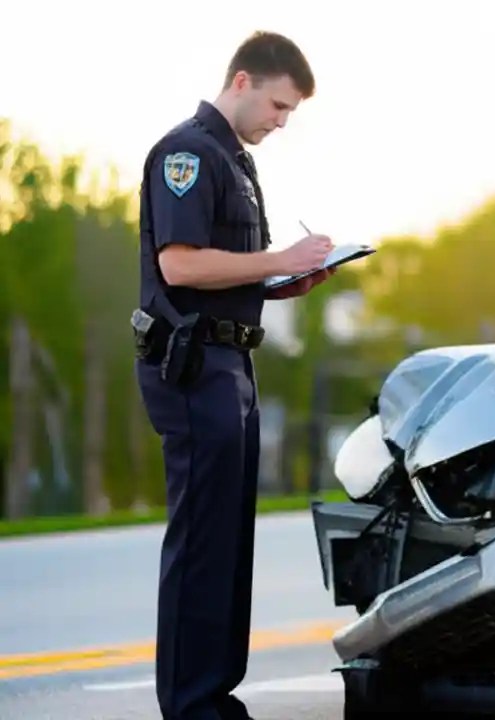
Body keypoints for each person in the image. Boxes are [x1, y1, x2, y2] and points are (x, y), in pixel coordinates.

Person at [134, 31, 335, 720]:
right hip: (192, 368)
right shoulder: (187, 153)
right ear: (243, 81)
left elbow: (230, 274)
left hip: (233, 362)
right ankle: (191, 705)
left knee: (228, 540)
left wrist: (288, 279)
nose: (282, 121)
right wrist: (280, 255)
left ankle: (215, 694)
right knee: (200, 541)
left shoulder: (236, 162)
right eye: (279, 105)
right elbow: (181, 266)